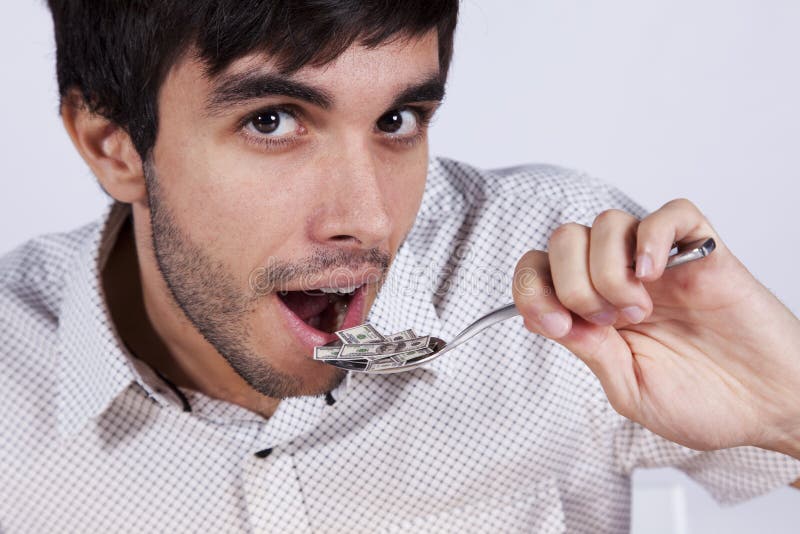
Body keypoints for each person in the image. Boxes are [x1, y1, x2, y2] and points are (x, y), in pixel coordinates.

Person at [1, 1, 799, 532]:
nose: (370, 220)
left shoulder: (570, 279)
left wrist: (787, 409)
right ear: (113, 146)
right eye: (272, 121)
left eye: (397, 119)